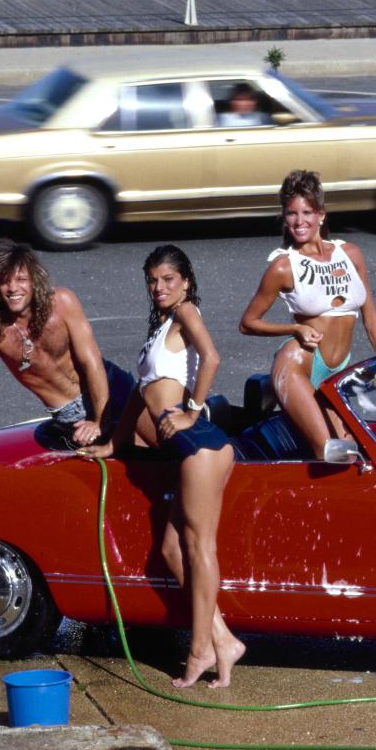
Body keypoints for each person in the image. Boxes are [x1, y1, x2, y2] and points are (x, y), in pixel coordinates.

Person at [121, 245, 244, 690]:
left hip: (200, 446)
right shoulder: (162, 327)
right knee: (174, 551)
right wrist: (110, 444)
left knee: (198, 549)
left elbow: (211, 358)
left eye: (168, 279)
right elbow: (141, 394)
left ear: (186, 282)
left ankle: (199, 652)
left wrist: (192, 411)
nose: (159, 287)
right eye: (152, 280)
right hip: (188, 451)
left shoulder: (186, 311)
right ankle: (224, 641)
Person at [240, 170, 376, 463]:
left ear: (321, 215)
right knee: (332, 452)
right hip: (297, 365)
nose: (299, 221)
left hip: (337, 369)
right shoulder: (283, 266)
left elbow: (370, 314)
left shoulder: (350, 254)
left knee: (359, 451)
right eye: (291, 213)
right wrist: (294, 328)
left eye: (306, 212)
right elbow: (248, 323)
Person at [0, 242, 123, 486]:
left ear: (35, 280)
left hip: (108, 384)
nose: (13, 288)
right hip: (72, 415)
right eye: (5, 281)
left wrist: (100, 420)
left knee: (160, 439)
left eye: (21, 279)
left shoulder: (63, 302)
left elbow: (92, 362)